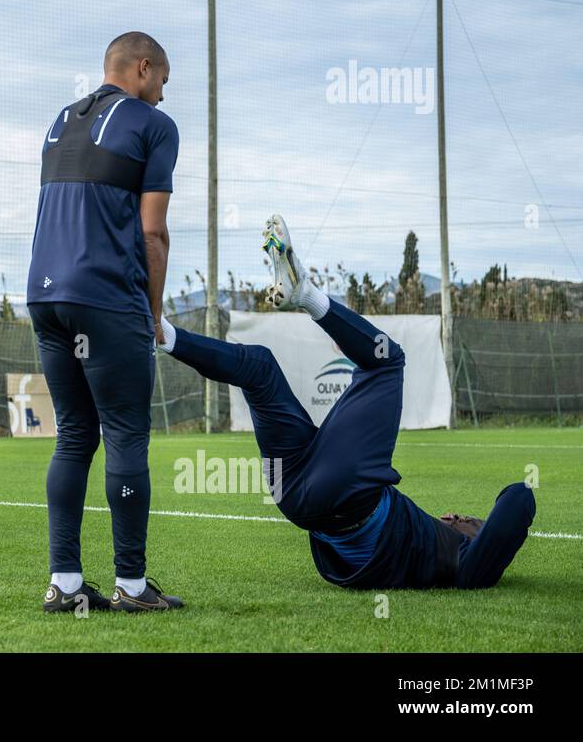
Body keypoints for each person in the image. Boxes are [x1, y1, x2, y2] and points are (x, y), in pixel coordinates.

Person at [157, 214, 535, 590]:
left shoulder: (464, 565)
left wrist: (484, 539)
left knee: (387, 362)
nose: (454, 515)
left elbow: (519, 497)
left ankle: (305, 293)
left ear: (480, 543)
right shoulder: (431, 552)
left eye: (467, 520)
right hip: (292, 495)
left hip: (343, 494)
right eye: (465, 516)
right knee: (259, 368)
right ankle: (160, 332)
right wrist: (475, 528)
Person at [27, 32, 183, 613]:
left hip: (45, 296)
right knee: (125, 435)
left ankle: (65, 586)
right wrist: (154, 310)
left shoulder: (59, 120)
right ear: (143, 68)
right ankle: (132, 588)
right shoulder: (151, 123)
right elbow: (152, 231)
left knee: (72, 438)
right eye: (163, 81)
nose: (164, 96)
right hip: (107, 299)